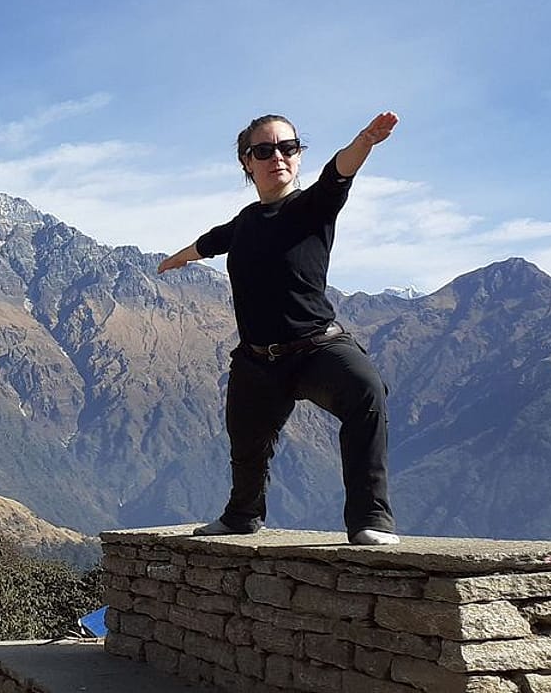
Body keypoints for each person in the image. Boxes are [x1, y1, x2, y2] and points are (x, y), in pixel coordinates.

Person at [157, 111, 400, 546]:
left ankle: (371, 520)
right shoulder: (246, 221)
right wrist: (179, 257)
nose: (278, 157)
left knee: (366, 391)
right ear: (246, 163)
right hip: (258, 360)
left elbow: (338, 174)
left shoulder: (312, 207)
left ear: (299, 156)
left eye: (288, 147)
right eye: (264, 150)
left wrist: (363, 142)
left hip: (317, 348)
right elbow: (214, 240)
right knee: (246, 444)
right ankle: (242, 517)